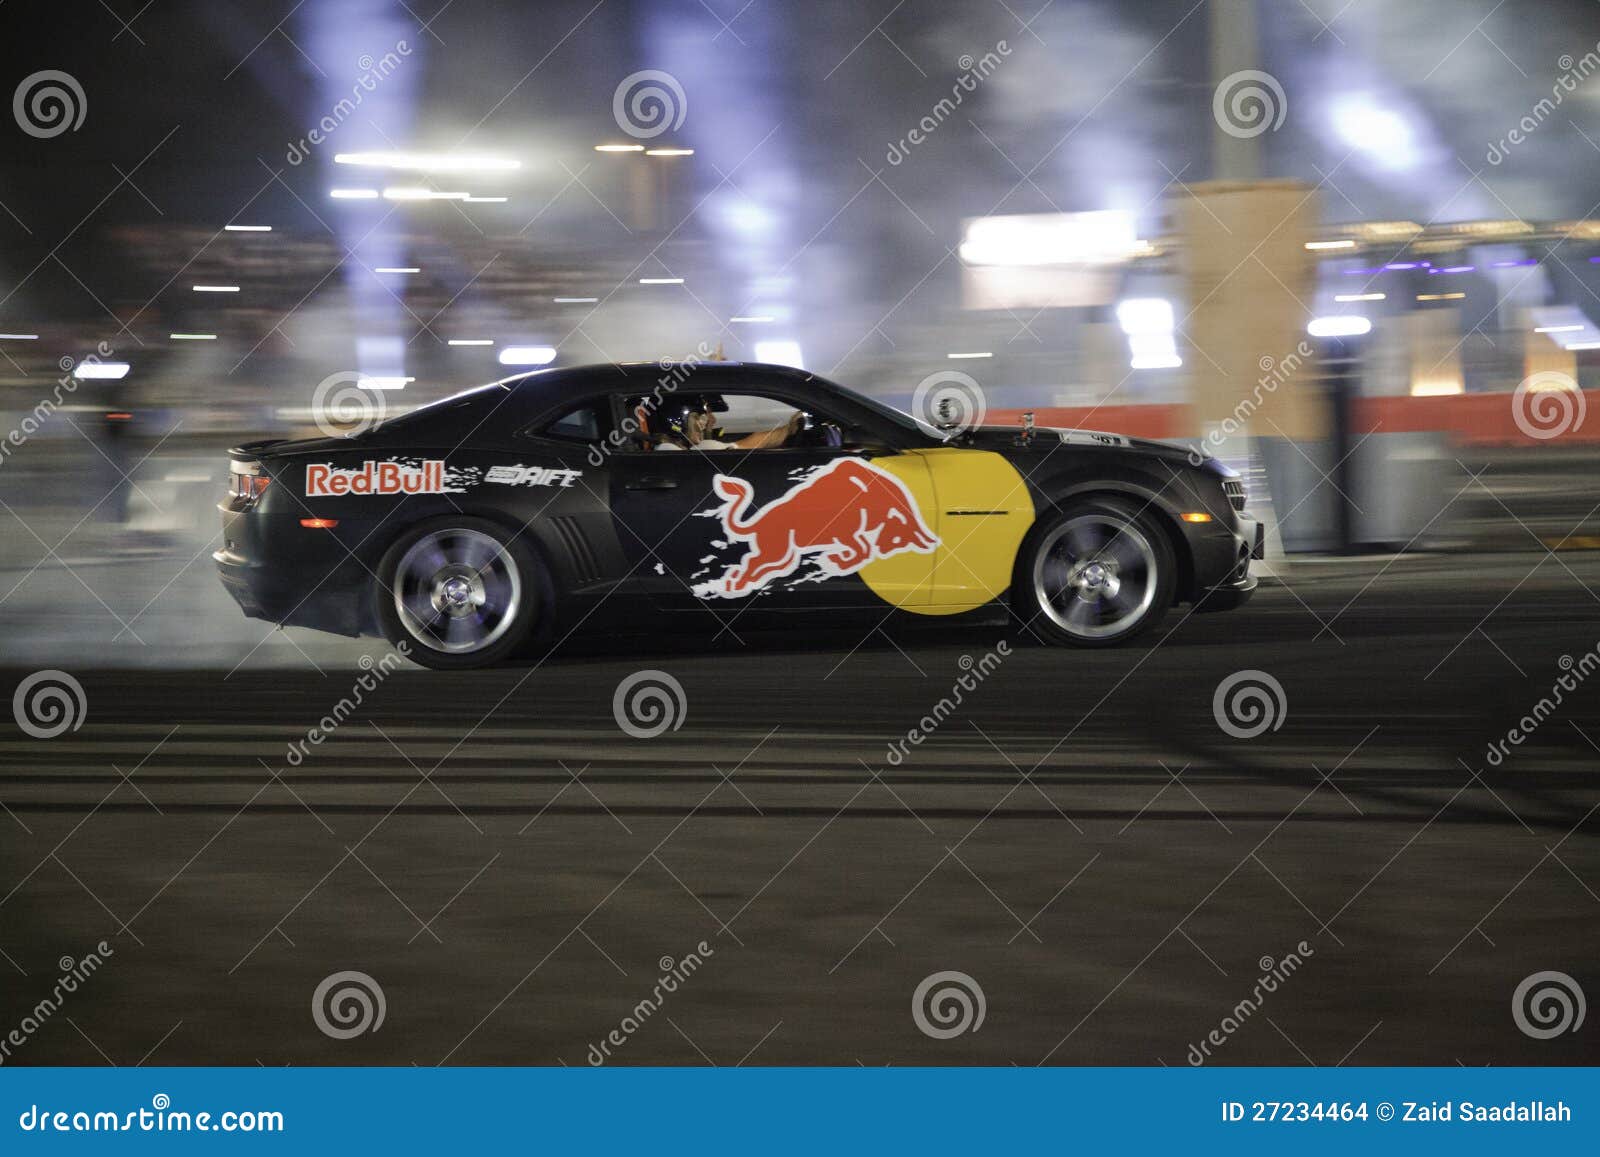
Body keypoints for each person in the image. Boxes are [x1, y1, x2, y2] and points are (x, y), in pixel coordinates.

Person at [653, 398, 803, 451]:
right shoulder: (669, 450)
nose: (711, 421)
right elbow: (749, 444)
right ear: (679, 419)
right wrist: (788, 430)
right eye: (702, 417)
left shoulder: (673, 451)